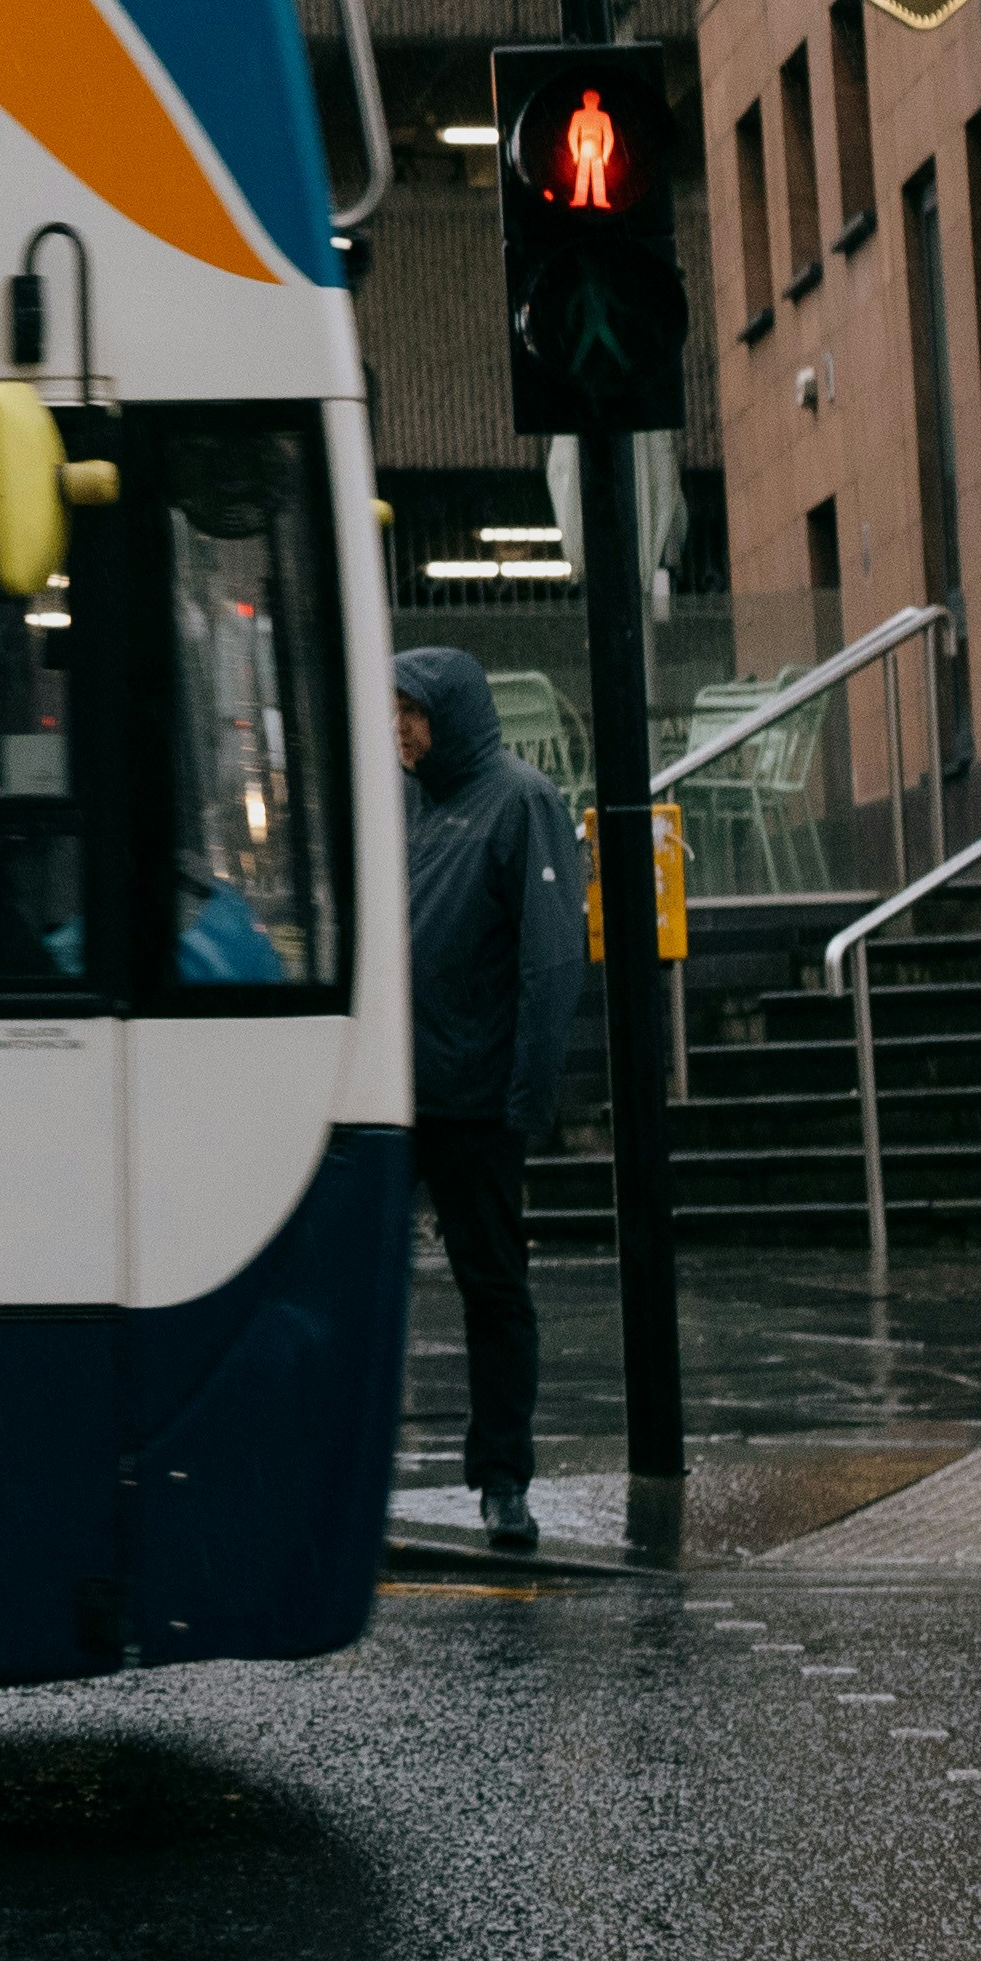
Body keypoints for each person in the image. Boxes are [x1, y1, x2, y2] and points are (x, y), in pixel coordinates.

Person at [395, 647, 586, 1548]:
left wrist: (526, 1098)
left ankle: (503, 1479)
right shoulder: (410, 808)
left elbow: (551, 962)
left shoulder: (520, 802)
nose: (399, 727)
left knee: (494, 1292)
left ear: (453, 714)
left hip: (475, 1103)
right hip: (397, 1101)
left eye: (413, 711)